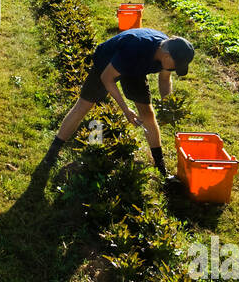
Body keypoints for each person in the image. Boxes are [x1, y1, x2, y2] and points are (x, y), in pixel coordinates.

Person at [44, 28, 195, 175]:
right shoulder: (136, 49)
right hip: (106, 64)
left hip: (136, 69)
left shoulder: (168, 49)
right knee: (84, 105)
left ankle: (159, 163)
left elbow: (164, 80)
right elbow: (107, 78)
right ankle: (54, 149)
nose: (175, 69)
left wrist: (167, 105)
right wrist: (126, 110)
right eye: (177, 66)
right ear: (167, 57)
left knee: (147, 114)